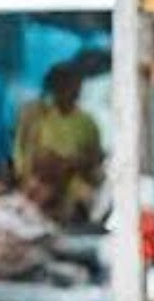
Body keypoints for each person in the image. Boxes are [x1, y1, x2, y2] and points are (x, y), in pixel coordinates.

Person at [13, 63, 103, 224]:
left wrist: (74, 163)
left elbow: (95, 159)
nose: (72, 91)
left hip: (72, 192)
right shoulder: (38, 116)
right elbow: (23, 151)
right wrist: (27, 177)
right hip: (38, 188)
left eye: (74, 86)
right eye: (63, 86)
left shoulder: (87, 123)